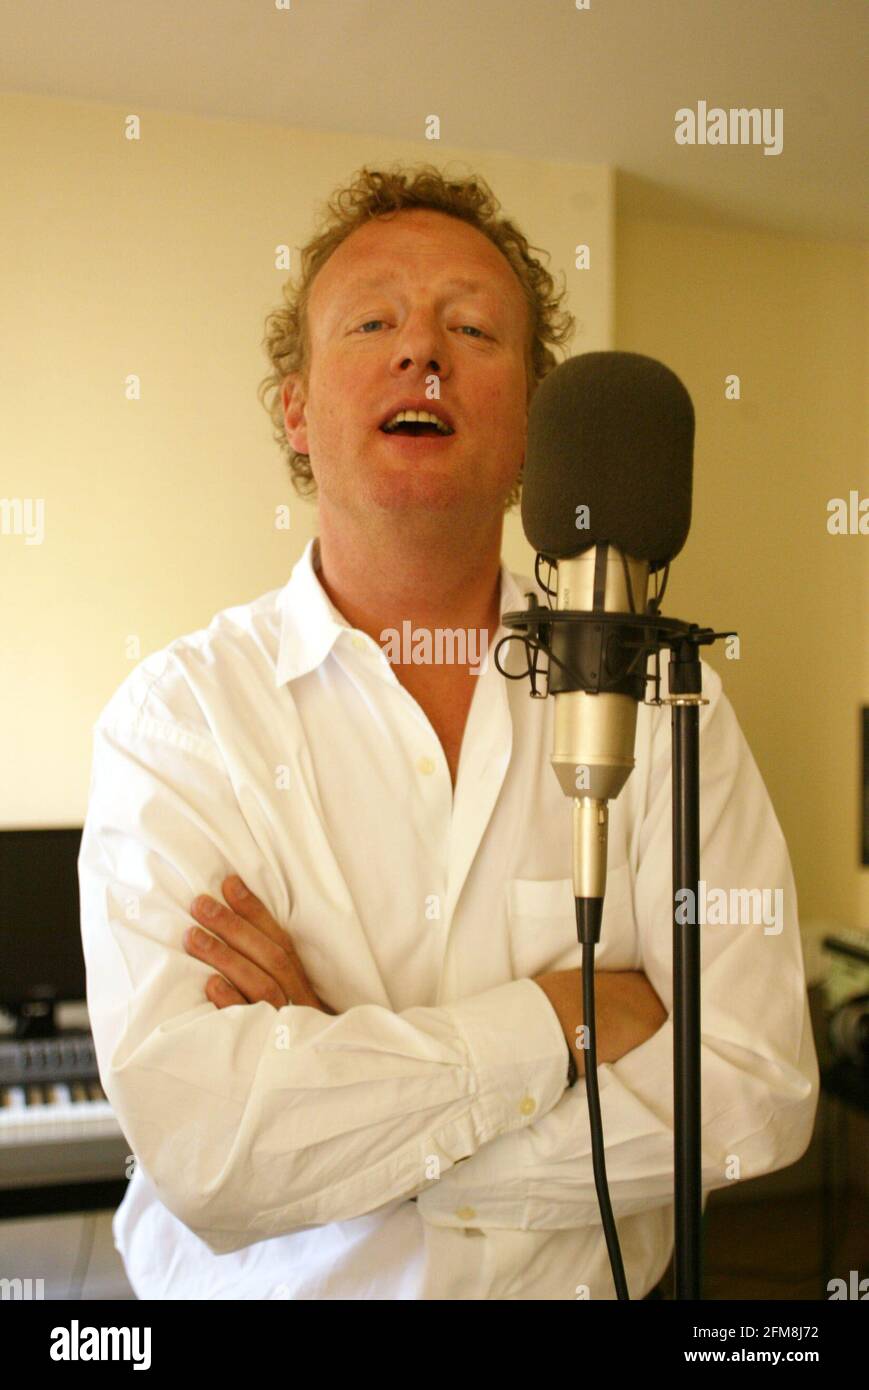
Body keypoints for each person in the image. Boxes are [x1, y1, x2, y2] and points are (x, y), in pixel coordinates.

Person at [78, 163, 819, 1300]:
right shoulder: (177, 723)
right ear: (296, 406)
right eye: (371, 320)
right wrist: (564, 1018)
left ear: (531, 419)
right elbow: (211, 1152)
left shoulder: (669, 699)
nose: (420, 351)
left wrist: (362, 1123)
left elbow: (754, 1086)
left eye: (471, 327)